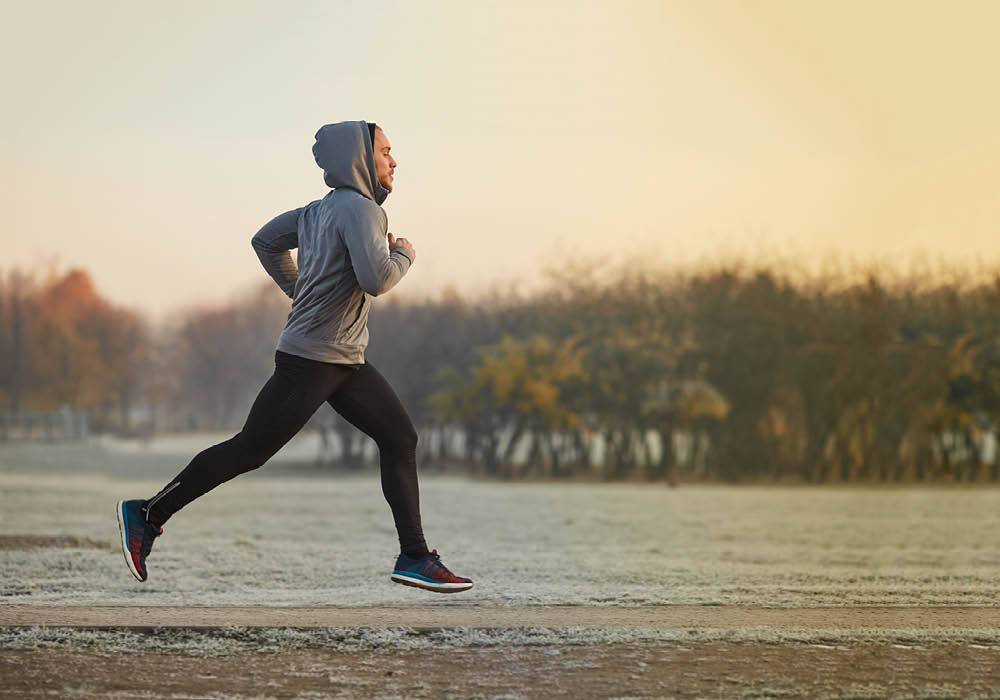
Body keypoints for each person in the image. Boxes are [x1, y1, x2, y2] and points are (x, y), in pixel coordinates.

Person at [116, 120, 473, 594]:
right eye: (386, 151)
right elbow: (377, 279)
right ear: (361, 158)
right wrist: (404, 254)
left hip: (344, 359)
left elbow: (264, 240)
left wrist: (299, 289)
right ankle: (146, 514)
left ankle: (414, 556)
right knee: (250, 449)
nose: (394, 161)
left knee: (400, 437)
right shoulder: (364, 211)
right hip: (313, 360)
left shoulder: (318, 211)